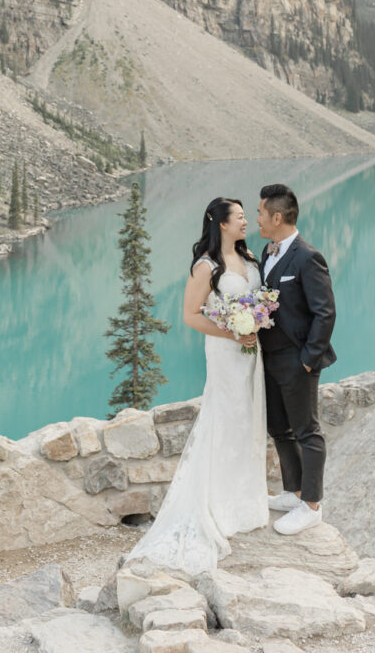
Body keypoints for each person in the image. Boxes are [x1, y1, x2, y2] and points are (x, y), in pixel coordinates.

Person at [127, 197, 268, 575]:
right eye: (239, 217)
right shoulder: (206, 267)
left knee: (247, 422)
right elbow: (190, 316)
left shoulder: (249, 256)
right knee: (224, 421)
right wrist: (234, 331)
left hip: (252, 352)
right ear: (221, 223)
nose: (245, 222)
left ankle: (242, 503)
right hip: (226, 353)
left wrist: (255, 322)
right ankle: (215, 506)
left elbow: (258, 299)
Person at [257, 182, 336, 535]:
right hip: (269, 358)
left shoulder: (307, 256)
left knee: (307, 431)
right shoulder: (268, 252)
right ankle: (294, 492)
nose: (256, 219)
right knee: (279, 428)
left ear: (277, 216)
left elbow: (325, 312)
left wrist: (309, 358)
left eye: (260, 213)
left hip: (297, 359)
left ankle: (312, 506)